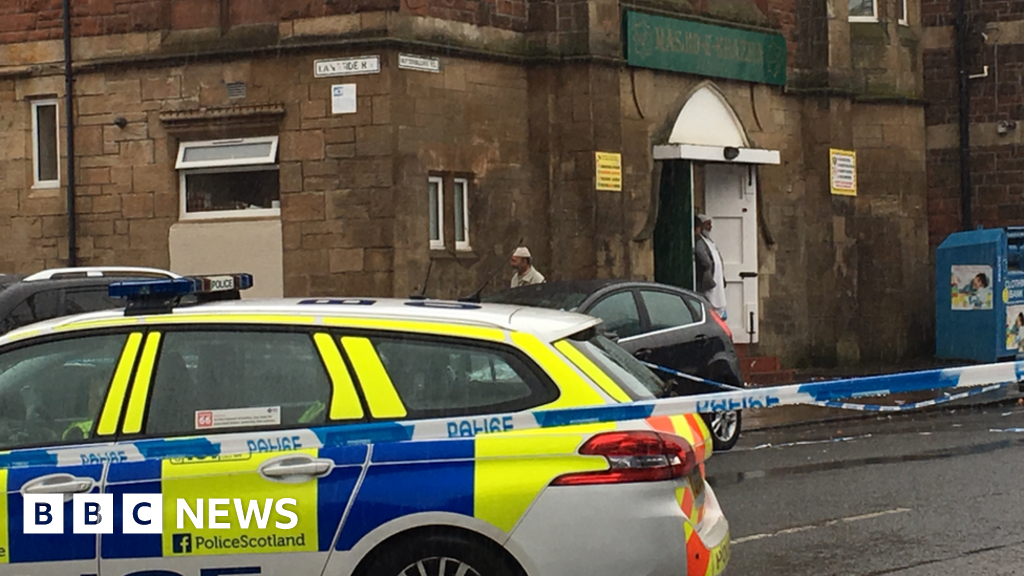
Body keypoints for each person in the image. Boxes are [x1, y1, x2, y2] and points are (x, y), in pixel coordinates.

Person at [694, 214, 728, 320]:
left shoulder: (709, 241)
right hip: (709, 279)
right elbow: (702, 255)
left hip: (717, 279)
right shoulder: (700, 241)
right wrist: (709, 264)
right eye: (707, 224)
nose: (710, 227)